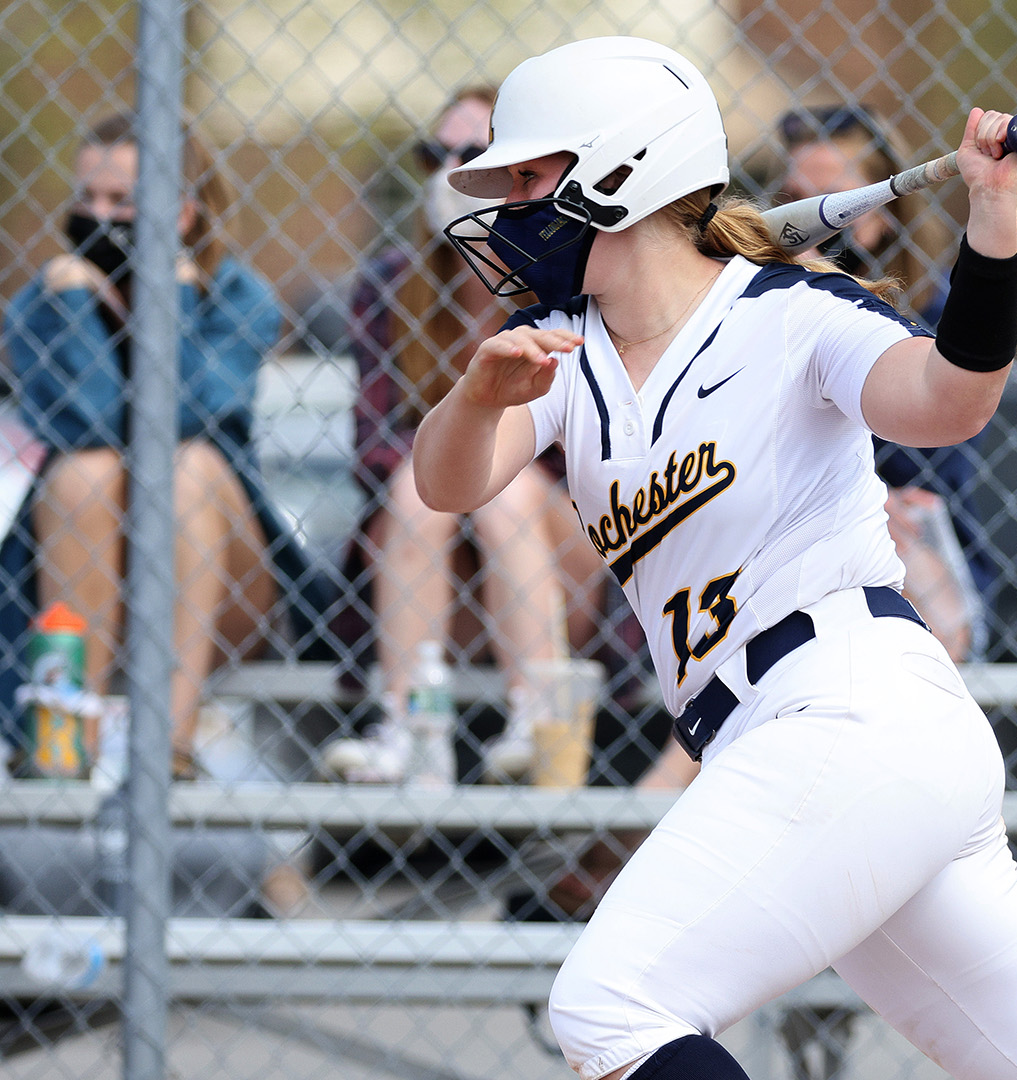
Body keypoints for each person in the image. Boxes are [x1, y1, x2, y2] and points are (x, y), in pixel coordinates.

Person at [414, 35, 1017, 1080]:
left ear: (621, 170)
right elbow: (446, 484)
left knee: (612, 1006)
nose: (510, 206)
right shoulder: (565, 358)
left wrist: (993, 224)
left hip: (847, 711)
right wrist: (476, 394)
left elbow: (951, 400)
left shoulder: (792, 315)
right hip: (805, 741)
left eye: (534, 177)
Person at [0, 113, 320, 779]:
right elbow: (86, 425)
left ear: (180, 213)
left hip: (223, 582)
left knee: (188, 465)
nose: (98, 216)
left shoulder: (236, 297)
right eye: (86, 200)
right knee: (83, 473)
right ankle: (65, 738)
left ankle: (167, 747)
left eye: (121, 203)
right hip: (91, 573)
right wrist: (81, 313)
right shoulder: (47, 301)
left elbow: (183, 416)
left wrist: (166, 297)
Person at [323, 86, 607, 783]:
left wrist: (486, 467)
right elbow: (373, 443)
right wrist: (455, 457)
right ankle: (406, 732)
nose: (450, 170)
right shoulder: (392, 287)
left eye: (472, 154)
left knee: (504, 496)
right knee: (416, 488)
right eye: (436, 154)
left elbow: (593, 449)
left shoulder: (572, 280)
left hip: (556, 552)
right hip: (438, 569)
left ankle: (540, 725)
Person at [775, 102, 995, 660]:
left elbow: (923, 472)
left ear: (883, 209)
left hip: (904, 532)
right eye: (795, 199)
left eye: (837, 200)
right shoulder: (760, 302)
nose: (816, 218)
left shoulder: (933, 311)